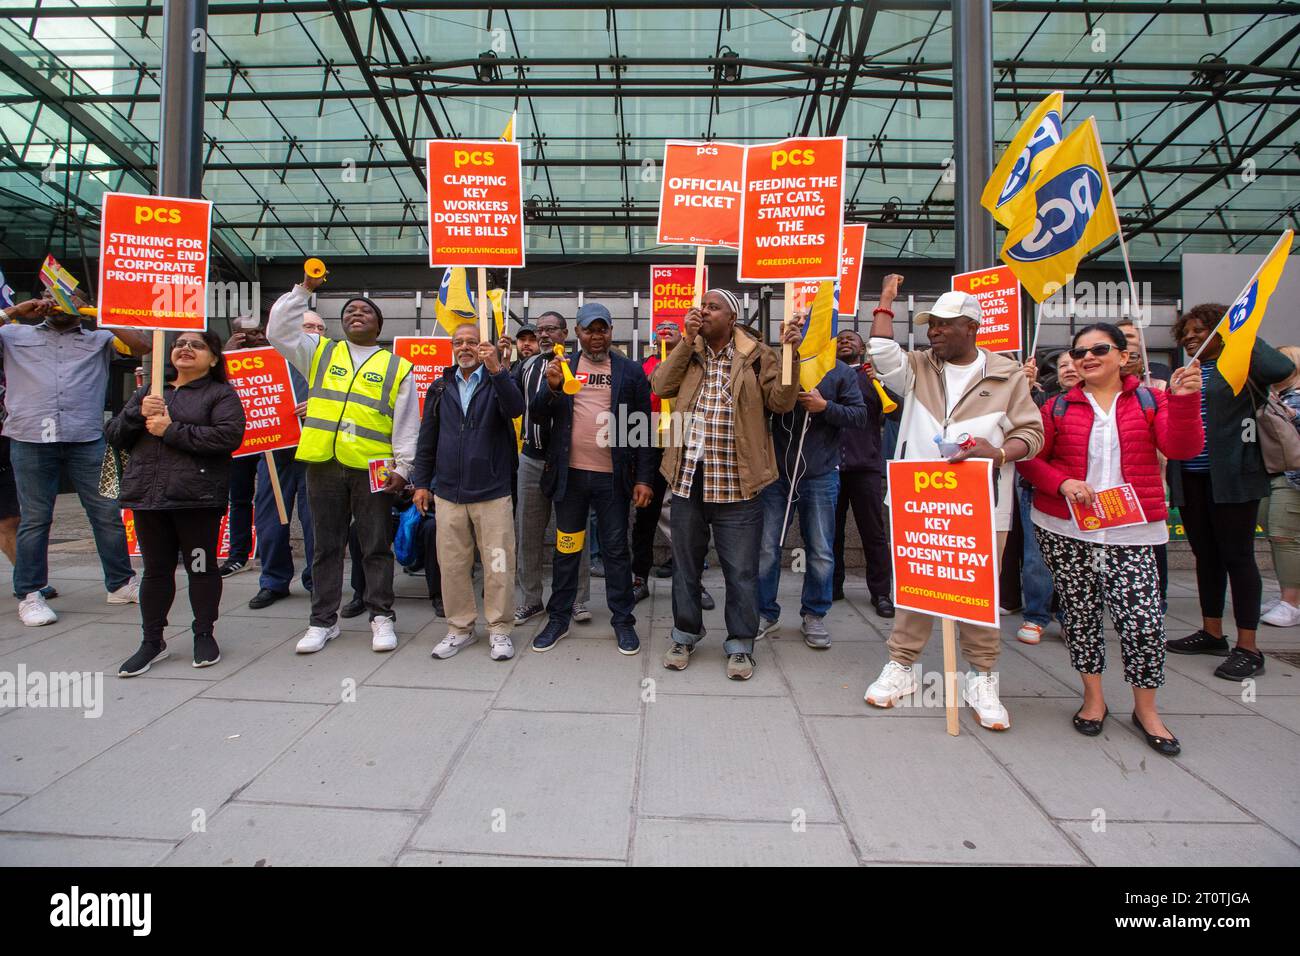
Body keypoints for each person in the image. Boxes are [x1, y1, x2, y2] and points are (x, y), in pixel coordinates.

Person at [862, 274, 1043, 730]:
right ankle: (901, 667)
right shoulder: (919, 366)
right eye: (930, 324)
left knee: (977, 591)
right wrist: (886, 300)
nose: (934, 331)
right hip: (918, 499)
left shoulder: (1006, 374)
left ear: (971, 326)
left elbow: (1032, 434)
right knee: (917, 583)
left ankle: (981, 678)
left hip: (982, 501)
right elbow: (881, 353)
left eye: (944, 324)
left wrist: (998, 452)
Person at [1019, 323, 1204, 756]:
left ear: (1123, 356)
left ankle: (1146, 710)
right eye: (1079, 351)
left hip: (1133, 531)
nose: (1087, 357)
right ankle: (1093, 698)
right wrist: (1062, 483)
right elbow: (1031, 460)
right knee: (1080, 617)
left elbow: (1182, 448)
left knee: (1142, 622)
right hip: (1065, 528)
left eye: (1099, 349)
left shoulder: (1151, 399)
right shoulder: (1058, 406)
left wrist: (1185, 401)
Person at [652, 288, 802, 680]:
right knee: (686, 568)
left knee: (741, 571)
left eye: (713, 307)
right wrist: (685, 341)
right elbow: (660, 385)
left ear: (731, 318)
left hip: (738, 485)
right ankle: (685, 633)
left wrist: (789, 354)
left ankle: (740, 644)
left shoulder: (758, 355)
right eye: (702, 305)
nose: (703, 311)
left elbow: (783, 401)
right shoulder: (690, 350)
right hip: (688, 480)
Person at [267, 270, 416, 654]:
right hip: (323, 463)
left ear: (378, 325)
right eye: (349, 310)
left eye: (365, 310)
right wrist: (303, 290)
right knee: (325, 546)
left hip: (374, 467)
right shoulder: (319, 351)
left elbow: (406, 423)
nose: (356, 313)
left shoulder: (397, 366)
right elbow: (278, 331)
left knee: (375, 545)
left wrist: (404, 468)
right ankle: (322, 621)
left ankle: (381, 616)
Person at [0, 295, 151, 626]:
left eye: (68, 299)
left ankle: (122, 584)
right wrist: (14, 311)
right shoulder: (14, 334)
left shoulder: (100, 339)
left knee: (108, 512)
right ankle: (30, 594)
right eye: (53, 298)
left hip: (87, 439)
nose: (59, 306)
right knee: (35, 519)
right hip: (30, 439)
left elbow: (143, 346)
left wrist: (100, 311)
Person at [1164, 303, 1294, 681]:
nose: (1191, 337)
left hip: (1235, 477)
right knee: (1206, 555)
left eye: (1200, 330)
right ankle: (1212, 632)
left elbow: (1281, 369)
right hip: (1189, 476)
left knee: (1238, 557)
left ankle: (1248, 647)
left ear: (1221, 331)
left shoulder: (1239, 367)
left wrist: (1243, 334)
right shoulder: (1184, 373)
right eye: (1185, 333)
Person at [106, 329, 246, 676]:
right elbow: (114, 435)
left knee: (201, 567)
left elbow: (228, 437)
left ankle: (203, 634)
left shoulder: (220, 394)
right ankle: (152, 641)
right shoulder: (150, 391)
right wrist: (137, 413)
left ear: (213, 358)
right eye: (180, 344)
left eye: (196, 345)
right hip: (149, 499)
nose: (185, 348)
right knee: (155, 572)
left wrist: (171, 430)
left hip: (196, 500)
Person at [529, 303, 653, 655]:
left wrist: (644, 478)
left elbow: (640, 428)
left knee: (616, 551)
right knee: (567, 549)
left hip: (612, 481)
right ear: (577, 334)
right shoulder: (561, 367)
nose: (596, 336)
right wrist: (551, 389)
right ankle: (558, 619)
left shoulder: (629, 372)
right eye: (589, 330)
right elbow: (536, 416)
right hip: (570, 480)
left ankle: (622, 621)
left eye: (602, 329)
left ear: (611, 332)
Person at [411, 323, 524, 661]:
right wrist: (421, 483)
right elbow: (427, 439)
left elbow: (516, 408)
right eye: (458, 342)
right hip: (448, 493)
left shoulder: (498, 381)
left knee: (498, 563)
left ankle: (500, 629)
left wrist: (497, 371)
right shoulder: (440, 386)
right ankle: (459, 628)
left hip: (492, 492)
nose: (464, 347)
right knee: (453, 564)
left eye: (471, 341)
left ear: (483, 346)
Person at [757, 327, 868, 647]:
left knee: (819, 550)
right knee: (767, 547)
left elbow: (861, 416)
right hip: (777, 473)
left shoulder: (841, 371)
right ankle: (765, 612)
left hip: (820, 474)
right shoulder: (779, 363)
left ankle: (814, 614)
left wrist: (826, 407)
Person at [511, 310, 592, 624]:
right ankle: (531, 599)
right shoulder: (527, 366)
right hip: (531, 458)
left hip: (568, 461)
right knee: (527, 533)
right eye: (539, 331)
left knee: (573, 532)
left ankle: (577, 599)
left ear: (564, 333)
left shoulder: (578, 365)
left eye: (550, 330)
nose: (543, 335)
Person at [631, 319, 715, 610]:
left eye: (671, 331)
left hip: (683, 442)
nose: (664, 336)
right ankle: (639, 577)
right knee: (645, 516)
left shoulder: (693, 363)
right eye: (659, 333)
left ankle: (694, 581)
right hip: (650, 441)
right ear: (653, 339)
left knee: (690, 517)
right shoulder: (641, 366)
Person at [246, 315, 317, 609]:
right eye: (307, 326)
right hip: (275, 454)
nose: (313, 332)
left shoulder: (331, 363)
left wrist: (319, 405)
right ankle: (273, 581)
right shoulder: (264, 361)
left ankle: (317, 581)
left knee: (316, 523)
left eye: (318, 327)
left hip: (315, 454)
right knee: (270, 521)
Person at [832, 330, 899, 617]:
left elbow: (897, 412)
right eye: (841, 338)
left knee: (873, 533)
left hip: (866, 468)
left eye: (852, 339)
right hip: (831, 467)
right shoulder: (827, 374)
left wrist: (881, 381)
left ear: (862, 348)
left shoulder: (873, 378)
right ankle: (832, 587)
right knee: (830, 534)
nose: (846, 341)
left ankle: (881, 593)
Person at [220, 320, 268, 578]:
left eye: (262, 331)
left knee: (270, 500)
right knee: (239, 499)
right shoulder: (223, 363)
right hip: (240, 439)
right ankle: (238, 554)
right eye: (252, 333)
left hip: (273, 437)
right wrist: (226, 355)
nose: (260, 337)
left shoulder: (276, 355)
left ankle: (271, 552)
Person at [1259, 345, 1300, 627]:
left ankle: (1292, 602)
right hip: (1273, 473)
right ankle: (1286, 593)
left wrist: (1290, 415)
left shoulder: (1294, 399)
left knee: (1286, 537)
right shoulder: (1276, 396)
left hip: (1293, 476)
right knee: (1275, 534)